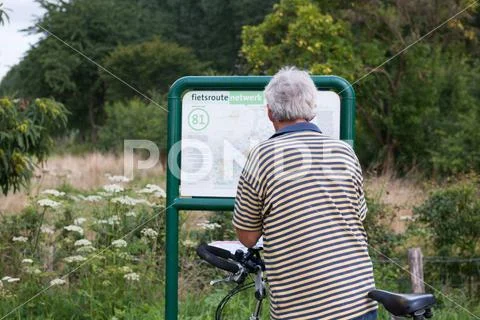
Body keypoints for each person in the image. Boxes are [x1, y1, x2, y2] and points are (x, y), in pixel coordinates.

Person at [233, 67, 377, 320]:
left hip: (300, 309)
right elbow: (359, 215)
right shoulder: (344, 152)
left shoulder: (262, 157)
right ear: (312, 108)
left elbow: (247, 236)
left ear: (270, 112)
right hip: (358, 301)